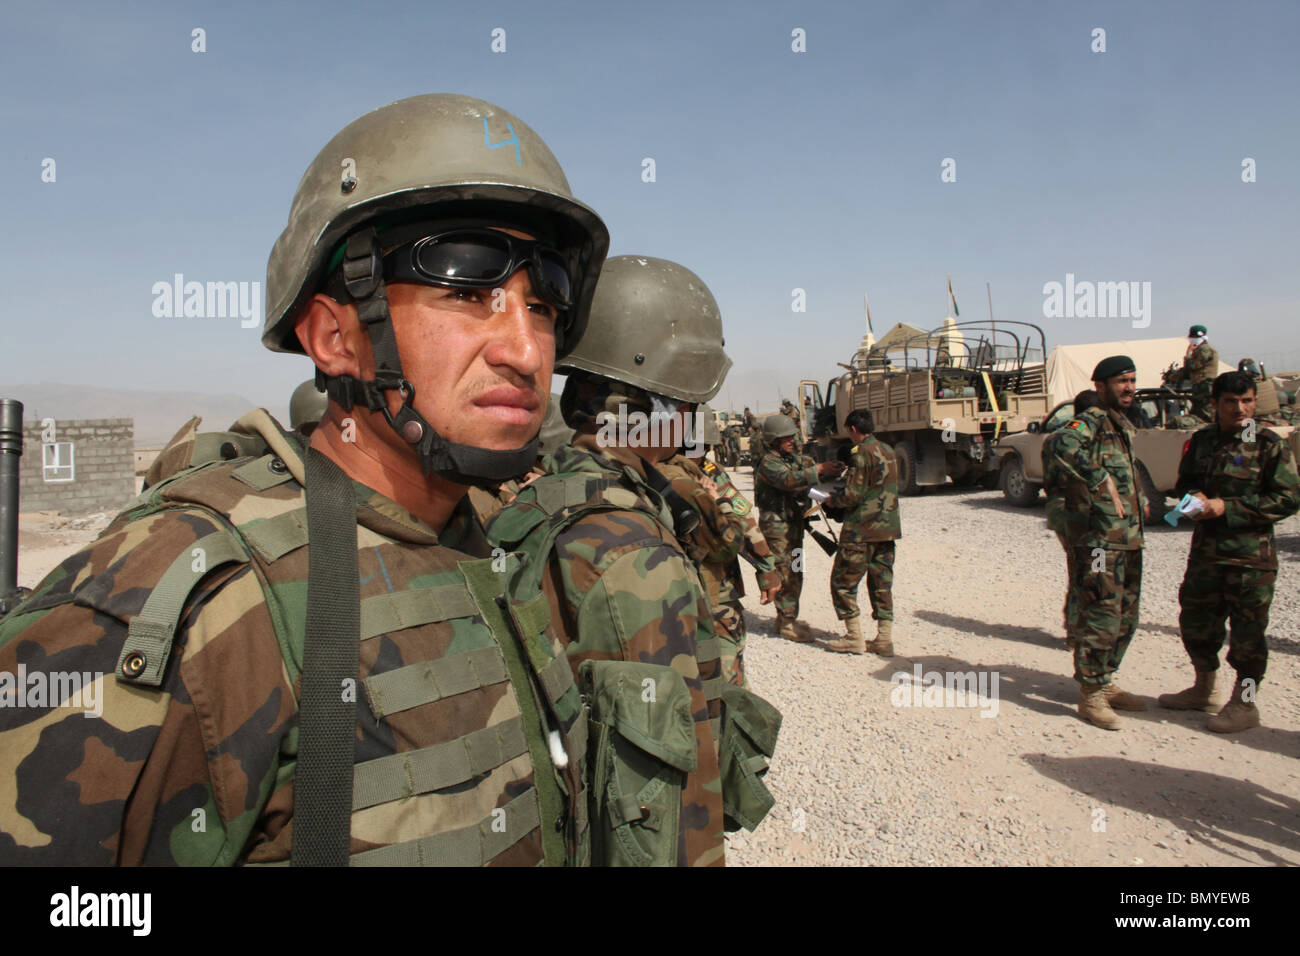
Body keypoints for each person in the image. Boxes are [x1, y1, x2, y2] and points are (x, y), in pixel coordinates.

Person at [0, 93, 610, 865]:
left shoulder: (476, 546)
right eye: (466, 291)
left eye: (545, 303)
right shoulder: (194, 595)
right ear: (334, 336)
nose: (526, 351)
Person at [486, 255, 782, 865]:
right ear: (641, 408)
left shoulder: (543, 500)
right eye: (684, 401)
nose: (692, 420)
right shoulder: (633, 550)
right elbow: (664, 796)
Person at [1157, 371, 1300, 731]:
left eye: (1247, 400)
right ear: (1215, 404)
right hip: (1207, 553)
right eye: (1231, 402)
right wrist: (1194, 499)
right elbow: (1183, 484)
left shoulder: (1268, 444)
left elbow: (1287, 498)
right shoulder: (1202, 440)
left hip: (1251, 558)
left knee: (1249, 636)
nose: (1240, 408)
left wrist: (1228, 508)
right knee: (1197, 624)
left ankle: (1245, 703)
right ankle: (1203, 688)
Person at [1049, 356, 1150, 730]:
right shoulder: (1089, 421)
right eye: (1121, 381)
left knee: (1127, 616)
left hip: (1127, 538)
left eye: (1132, 380)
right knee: (1102, 614)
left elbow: (1125, 470)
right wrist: (1096, 478)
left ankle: (1106, 680)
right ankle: (1090, 693)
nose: (1129, 387)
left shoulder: (1120, 423)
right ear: (1100, 387)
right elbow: (1062, 445)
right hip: (1097, 542)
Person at [658, 409, 781, 687]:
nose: (704, 455)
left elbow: (744, 519)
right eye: (702, 448)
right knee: (725, 679)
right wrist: (766, 567)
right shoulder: (692, 476)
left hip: (677, 596)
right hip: (710, 593)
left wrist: (765, 566)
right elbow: (739, 525)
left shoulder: (653, 468)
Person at [755, 413, 845, 642]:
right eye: (786, 438)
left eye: (791, 437)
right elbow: (788, 480)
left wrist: (824, 497)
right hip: (777, 527)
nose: (791, 441)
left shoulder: (792, 459)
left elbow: (804, 486)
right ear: (773, 440)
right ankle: (786, 621)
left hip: (794, 524)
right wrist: (820, 469)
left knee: (796, 568)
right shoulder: (769, 463)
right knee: (785, 571)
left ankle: (787, 617)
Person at [824, 409, 901, 656]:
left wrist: (832, 501)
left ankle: (854, 637)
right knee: (881, 583)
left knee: (843, 582)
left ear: (853, 429)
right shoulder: (888, 451)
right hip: (887, 529)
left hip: (861, 530)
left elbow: (853, 494)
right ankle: (885, 639)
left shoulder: (861, 454)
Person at [1042, 389, 1102, 649]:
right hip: (1078, 508)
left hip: (1057, 507)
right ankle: (1078, 632)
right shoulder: (1086, 438)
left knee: (1077, 566)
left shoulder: (1054, 438)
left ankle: (1074, 628)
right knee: (1086, 570)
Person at [1183, 324, 1219, 422]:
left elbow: (1193, 366)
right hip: (1201, 386)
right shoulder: (1200, 349)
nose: (1191, 339)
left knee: (1207, 413)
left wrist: (1188, 354)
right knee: (1197, 413)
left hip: (1205, 386)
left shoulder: (1204, 349)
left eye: (1193, 337)